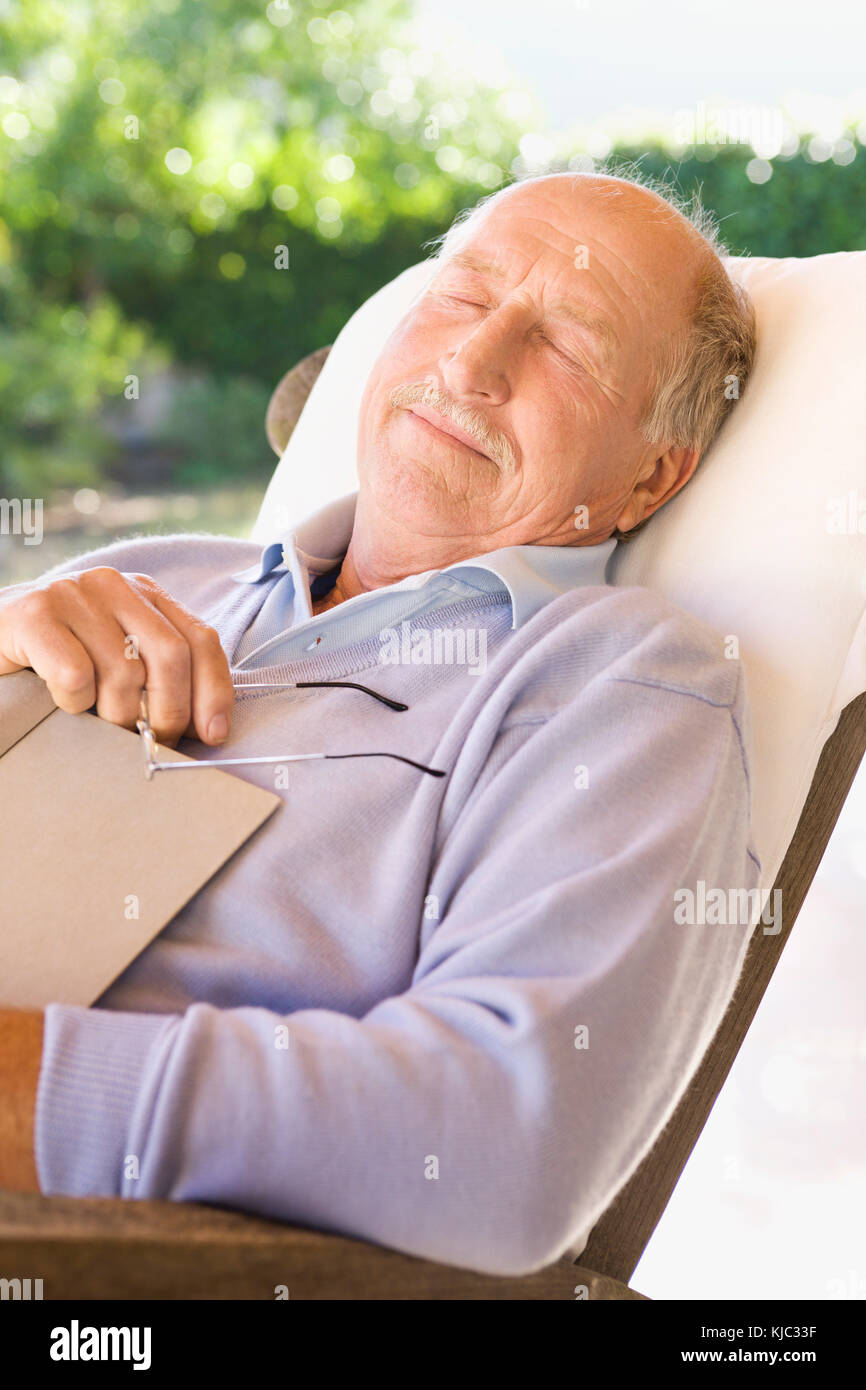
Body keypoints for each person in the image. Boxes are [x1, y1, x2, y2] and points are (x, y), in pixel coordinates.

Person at [0, 170, 760, 1276]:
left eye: (568, 342)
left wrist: (29, 1086)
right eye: (460, 298)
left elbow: (502, 1137)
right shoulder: (142, 575)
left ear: (649, 475)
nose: (471, 362)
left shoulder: (620, 685)